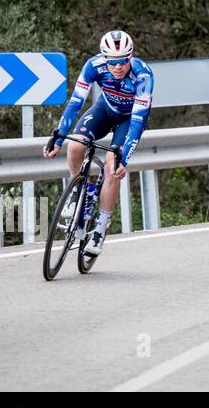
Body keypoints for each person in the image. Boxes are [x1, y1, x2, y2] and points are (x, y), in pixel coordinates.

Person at [43, 30, 154, 257]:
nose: (118, 67)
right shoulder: (93, 66)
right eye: (113, 62)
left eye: (124, 60)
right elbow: (75, 103)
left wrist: (124, 155)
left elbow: (137, 120)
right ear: (105, 59)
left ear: (131, 57)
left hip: (129, 120)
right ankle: (78, 191)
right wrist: (59, 134)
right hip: (105, 109)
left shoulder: (143, 76)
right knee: (75, 145)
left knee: (112, 167)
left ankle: (100, 228)